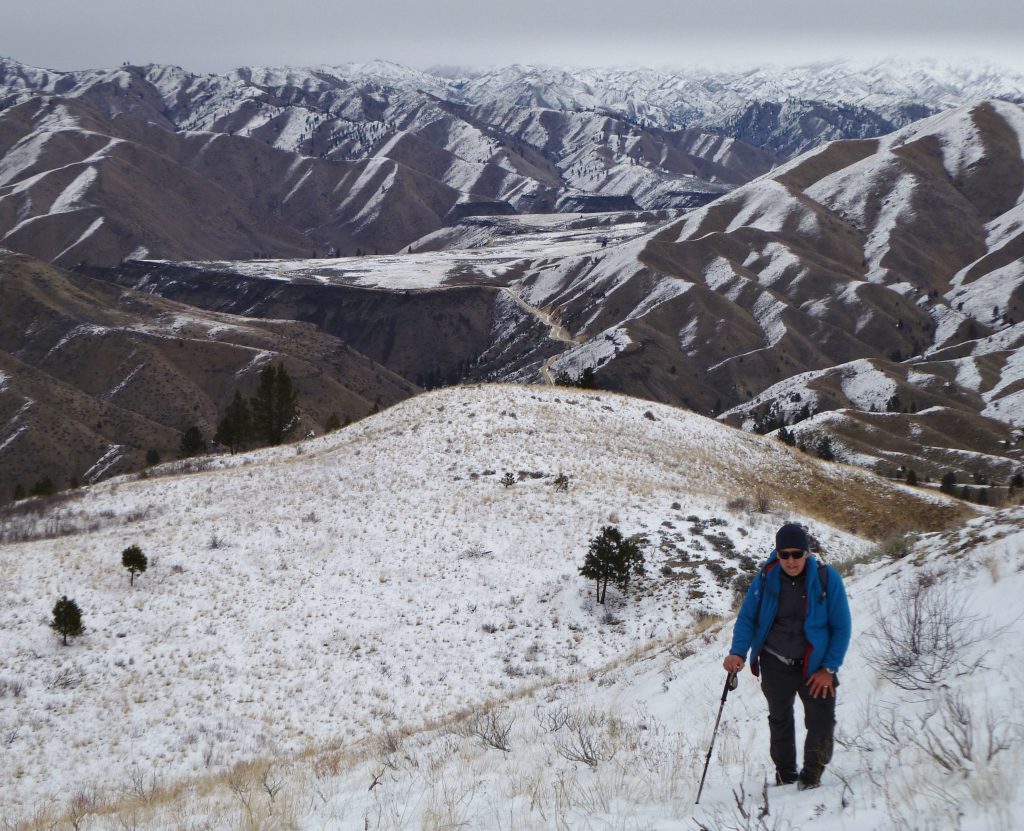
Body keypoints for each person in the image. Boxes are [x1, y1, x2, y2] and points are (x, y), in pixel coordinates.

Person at [723, 522, 851, 790]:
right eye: (784, 555)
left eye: (796, 554)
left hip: (815, 667)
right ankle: (785, 776)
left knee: (821, 720)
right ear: (777, 554)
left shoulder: (828, 580)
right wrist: (738, 652)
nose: (791, 561)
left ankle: (811, 776)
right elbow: (747, 618)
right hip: (775, 662)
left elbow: (841, 627)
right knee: (779, 720)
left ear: (806, 553)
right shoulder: (766, 578)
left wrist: (828, 668)